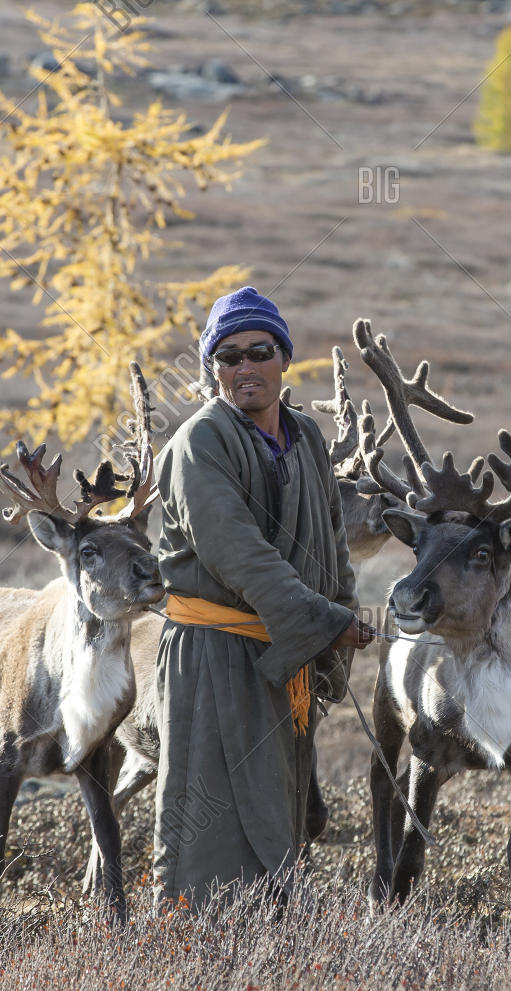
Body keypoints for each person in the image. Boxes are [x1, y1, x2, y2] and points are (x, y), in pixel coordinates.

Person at [151, 286, 374, 910]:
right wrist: (325, 623)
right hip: (212, 658)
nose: (243, 367)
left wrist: (340, 618)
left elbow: (333, 547)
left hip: (284, 658)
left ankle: (268, 953)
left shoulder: (304, 437)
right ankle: (190, 952)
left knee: (280, 801)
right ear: (212, 369)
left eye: (258, 351)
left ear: (284, 359)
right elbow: (236, 552)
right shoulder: (200, 443)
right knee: (209, 820)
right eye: (227, 358)